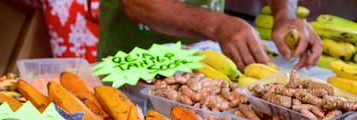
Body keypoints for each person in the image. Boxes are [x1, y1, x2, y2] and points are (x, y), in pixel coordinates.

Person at [97, 0, 322, 71]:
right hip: (131, 68)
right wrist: (217, 26)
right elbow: (137, 4)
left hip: (206, 66)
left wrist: (285, 15)